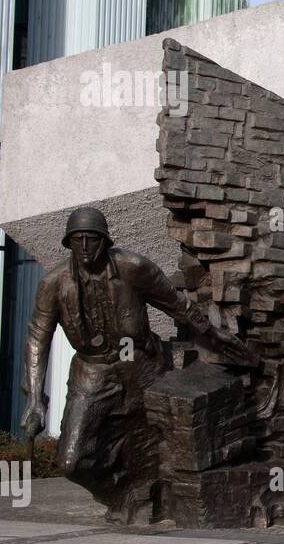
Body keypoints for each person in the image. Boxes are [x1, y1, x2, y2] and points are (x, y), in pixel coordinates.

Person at [21, 207, 254, 522]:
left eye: (92, 240)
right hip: (91, 372)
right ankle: (122, 496)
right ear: (69, 243)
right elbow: (38, 338)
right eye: (78, 240)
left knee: (158, 442)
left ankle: (157, 498)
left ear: (105, 241)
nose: (86, 247)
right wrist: (35, 399)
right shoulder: (54, 283)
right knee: (71, 462)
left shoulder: (133, 268)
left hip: (140, 364)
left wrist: (214, 335)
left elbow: (177, 305)